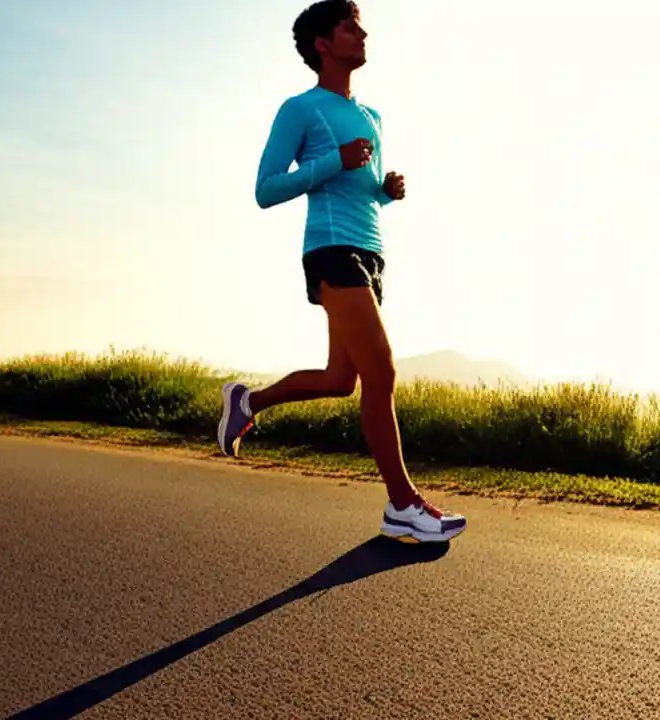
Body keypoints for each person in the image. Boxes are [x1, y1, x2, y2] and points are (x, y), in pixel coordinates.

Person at [217, 0, 466, 543]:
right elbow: (265, 190)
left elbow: (361, 187)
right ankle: (403, 505)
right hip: (330, 249)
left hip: (371, 252)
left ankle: (247, 402)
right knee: (382, 374)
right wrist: (335, 161)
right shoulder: (300, 109)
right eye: (349, 26)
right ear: (323, 45)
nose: (362, 32)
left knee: (341, 380)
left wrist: (385, 191)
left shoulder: (372, 117)